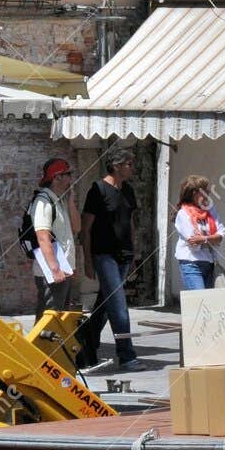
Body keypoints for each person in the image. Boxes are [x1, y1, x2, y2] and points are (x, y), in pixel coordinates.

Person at [78, 150, 140, 373]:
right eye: (128, 163)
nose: (132, 167)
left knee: (104, 306)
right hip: (103, 255)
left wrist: (133, 252)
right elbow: (86, 228)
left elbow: (130, 222)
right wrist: (87, 260)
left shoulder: (128, 191)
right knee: (118, 305)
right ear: (116, 166)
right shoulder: (98, 190)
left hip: (124, 255)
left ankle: (85, 345)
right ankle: (127, 356)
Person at [29, 158, 78, 313]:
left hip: (64, 269)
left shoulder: (58, 201)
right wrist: (55, 269)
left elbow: (77, 228)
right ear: (57, 177)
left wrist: (71, 201)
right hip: (52, 272)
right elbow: (43, 236)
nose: (71, 178)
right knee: (50, 318)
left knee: (59, 318)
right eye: (68, 174)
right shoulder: (43, 201)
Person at [174, 175, 224, 292]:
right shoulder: (183, 214)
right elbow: (194, 245)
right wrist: (213, 240)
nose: (209, 193)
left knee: (208, 303)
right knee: (200, 300)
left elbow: (221, 235)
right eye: (205, 191)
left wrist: (204, 239)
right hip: (191, 263)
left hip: (209, 263)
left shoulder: (210, 211)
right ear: (194, 193)